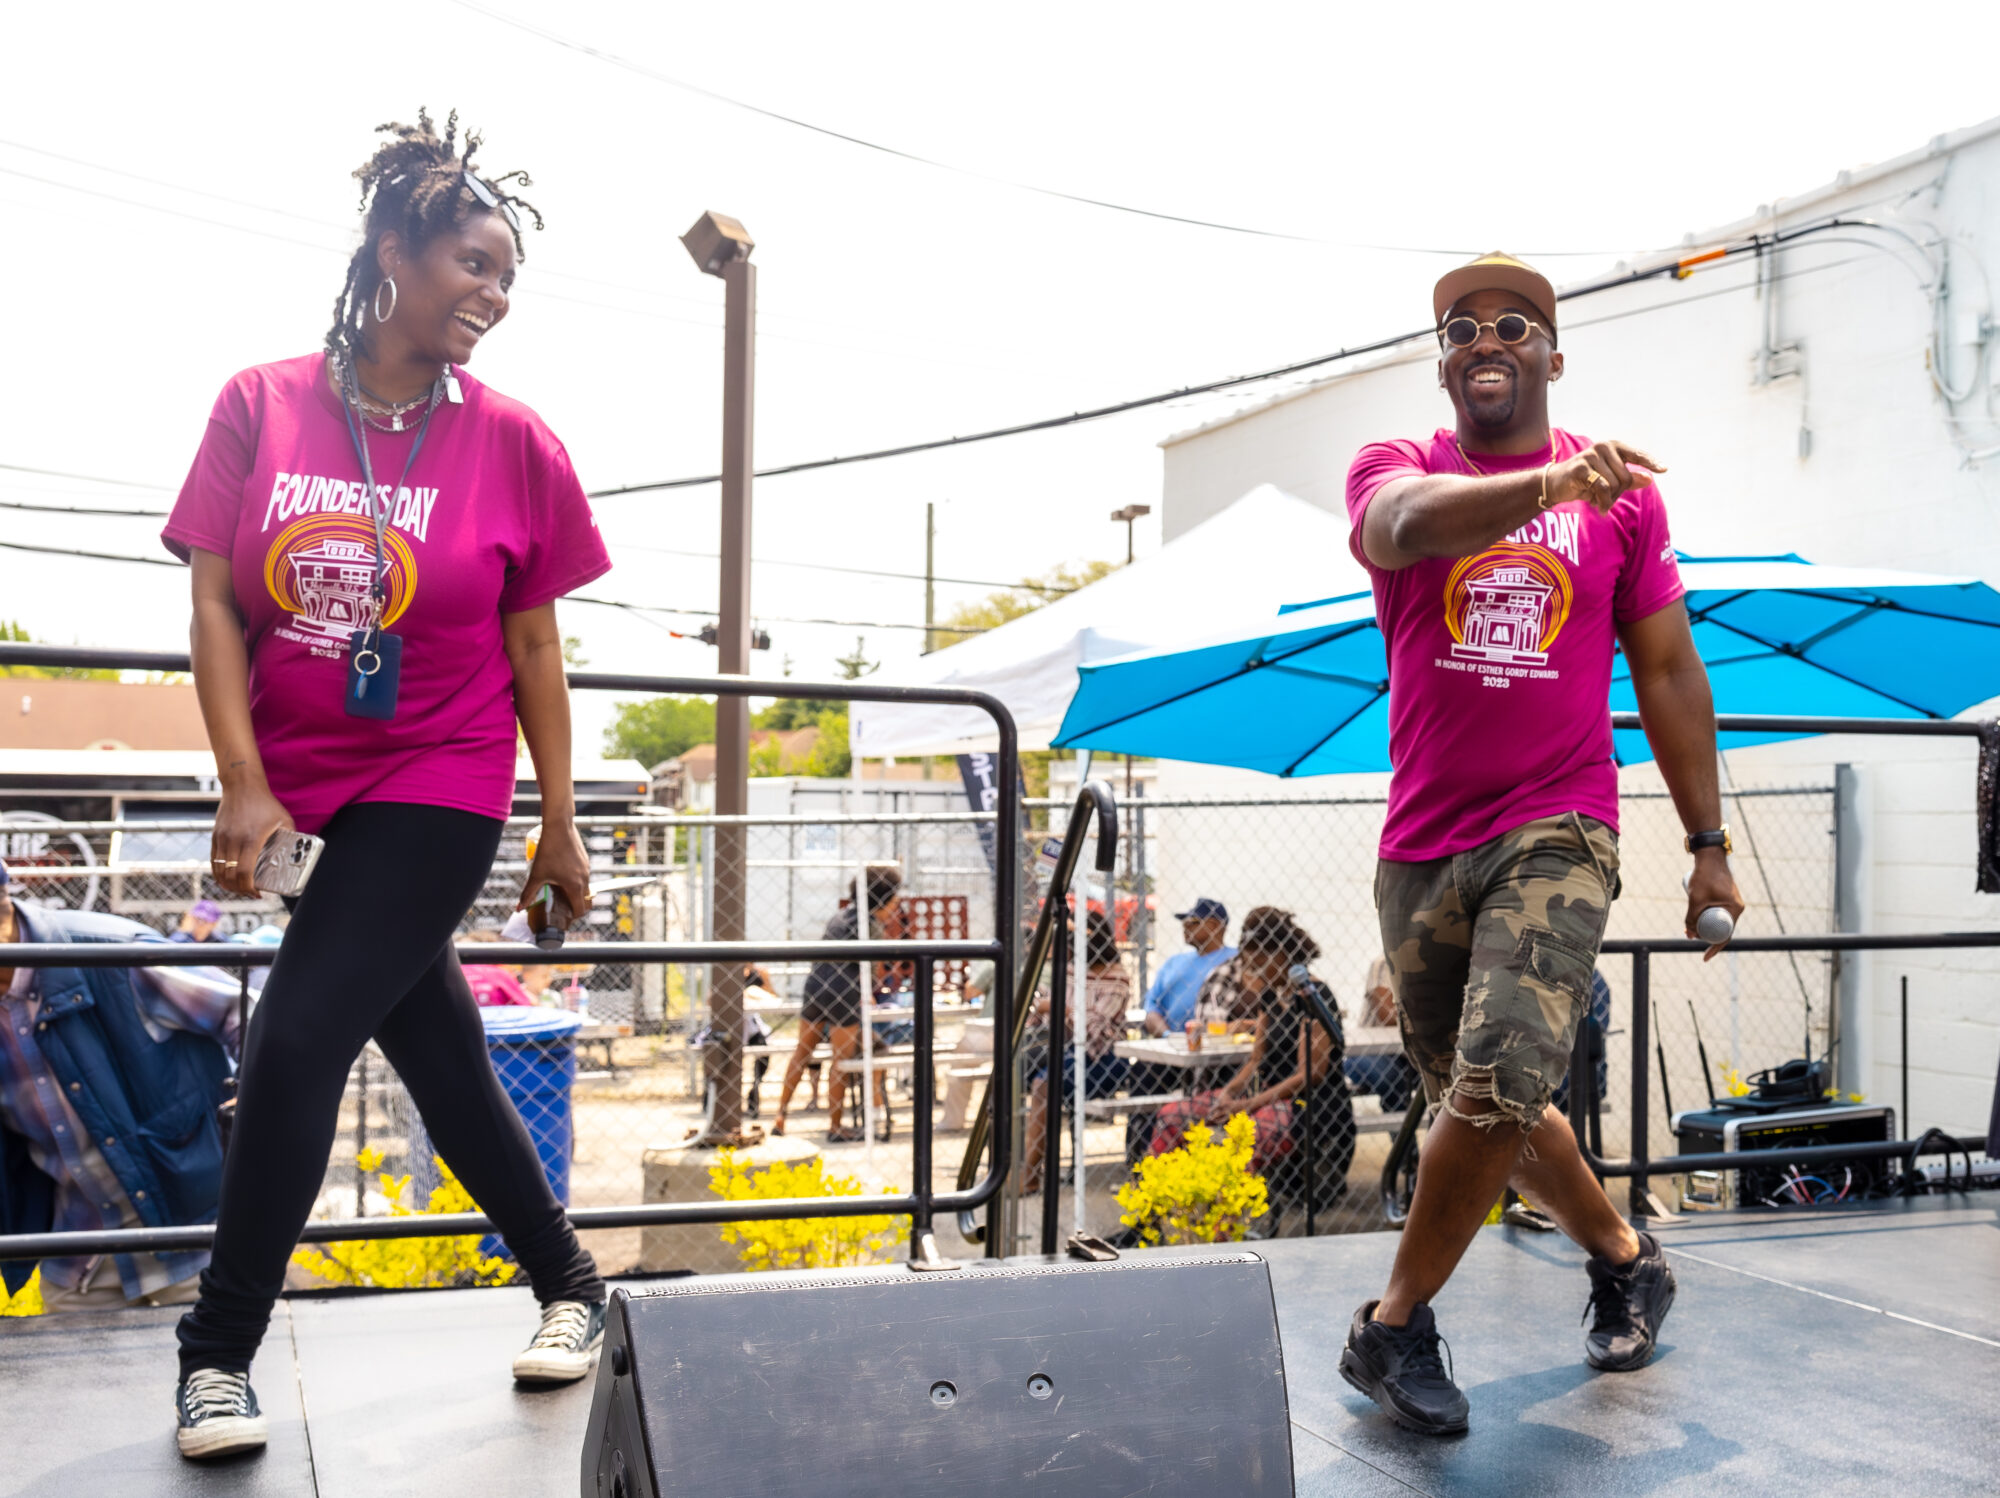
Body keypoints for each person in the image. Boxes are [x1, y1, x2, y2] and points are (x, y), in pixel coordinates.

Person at [157, 111, 612, 1460]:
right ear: (393, 249)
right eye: (474, 262)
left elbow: (535, 642)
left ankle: (215, 1353)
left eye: (508, 274)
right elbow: (216, 605)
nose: (496, 293)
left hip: (441, 774)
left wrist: (561, 824)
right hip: (302, 793)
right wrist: (243, 784)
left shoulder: (515, 440)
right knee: (442, 1055)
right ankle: (575, 1289)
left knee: (295, 1042)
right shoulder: (262, 402)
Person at [1336, 252, 1744, 1435]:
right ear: (1447, 361)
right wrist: (1551, 484)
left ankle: (1393, 1324)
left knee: (1507, 1069)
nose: (1483, 340)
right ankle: (1624, 1254)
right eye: (1459, 328)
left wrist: (1705, 841)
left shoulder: (1626, 504)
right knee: (1482, 1100)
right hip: (1418, 846)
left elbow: (1665, 666)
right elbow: (1398, 528)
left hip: (1557, 821)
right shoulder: (1399, 465)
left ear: (1550, 355)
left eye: (1512, 324)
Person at [0, 859, 240, 1312]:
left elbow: (250, 1015)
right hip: (78, 1262)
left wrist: (254, 1123)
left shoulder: (109, 950)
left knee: (218, 1374)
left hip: (196, 1239)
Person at [1146, 908, 1352, 1200]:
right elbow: (1256, 1059)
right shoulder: (1271, 995)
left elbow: (1310, 1074)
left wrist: (1248, 1105)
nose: (1252, 972)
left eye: (1258, 964)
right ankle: (1152, 1214)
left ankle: (1225, 1226)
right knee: (1172, 1117)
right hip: (1264, 1096)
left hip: (1305, 1104)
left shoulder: (1313, 996)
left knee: (1243, 1136)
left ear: (1280, 955)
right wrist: (1228, 1094)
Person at [774, 866, 902, 1143]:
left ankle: (780, 1115)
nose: (896, 905)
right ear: (884, 900)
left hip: (816, 987)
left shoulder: (838, 917)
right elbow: (874, 972)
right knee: (840, 1061)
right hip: (846, 993)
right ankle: (835, 1126)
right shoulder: (873, 927)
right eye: (894, 899)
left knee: (802, 1052)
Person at [1020, 909, 1131, 1193]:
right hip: (1066, 1051)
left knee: (1043, 1084)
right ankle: (1010, 1166)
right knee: (1010, 1074)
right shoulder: (1070, 970)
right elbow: (1047, 1007)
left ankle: (1029, 1174)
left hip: (1103, 1058)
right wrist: (1044, 1005)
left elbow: (1095, 1027)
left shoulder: (1117, 978)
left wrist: (1062, 1008)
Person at [1127, 898, 1236, 1158]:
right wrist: (1167, 1035)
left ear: (1215, 926)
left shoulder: (1234, 961)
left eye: (1194, 922)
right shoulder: (1174, 962)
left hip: (1214, 1053)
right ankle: (1140, 1160)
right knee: (1144, 1072)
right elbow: (1151, 1006)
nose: (1185, 927)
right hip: (1171, 1046)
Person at [1342, 956, 1419, 1113]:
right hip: (1369, 1051)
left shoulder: (1430, 962)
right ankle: (1404, 1135)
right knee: (1391, 1077)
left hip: (1408, 1052)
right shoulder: (1384, 963)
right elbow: (1387, 1016)